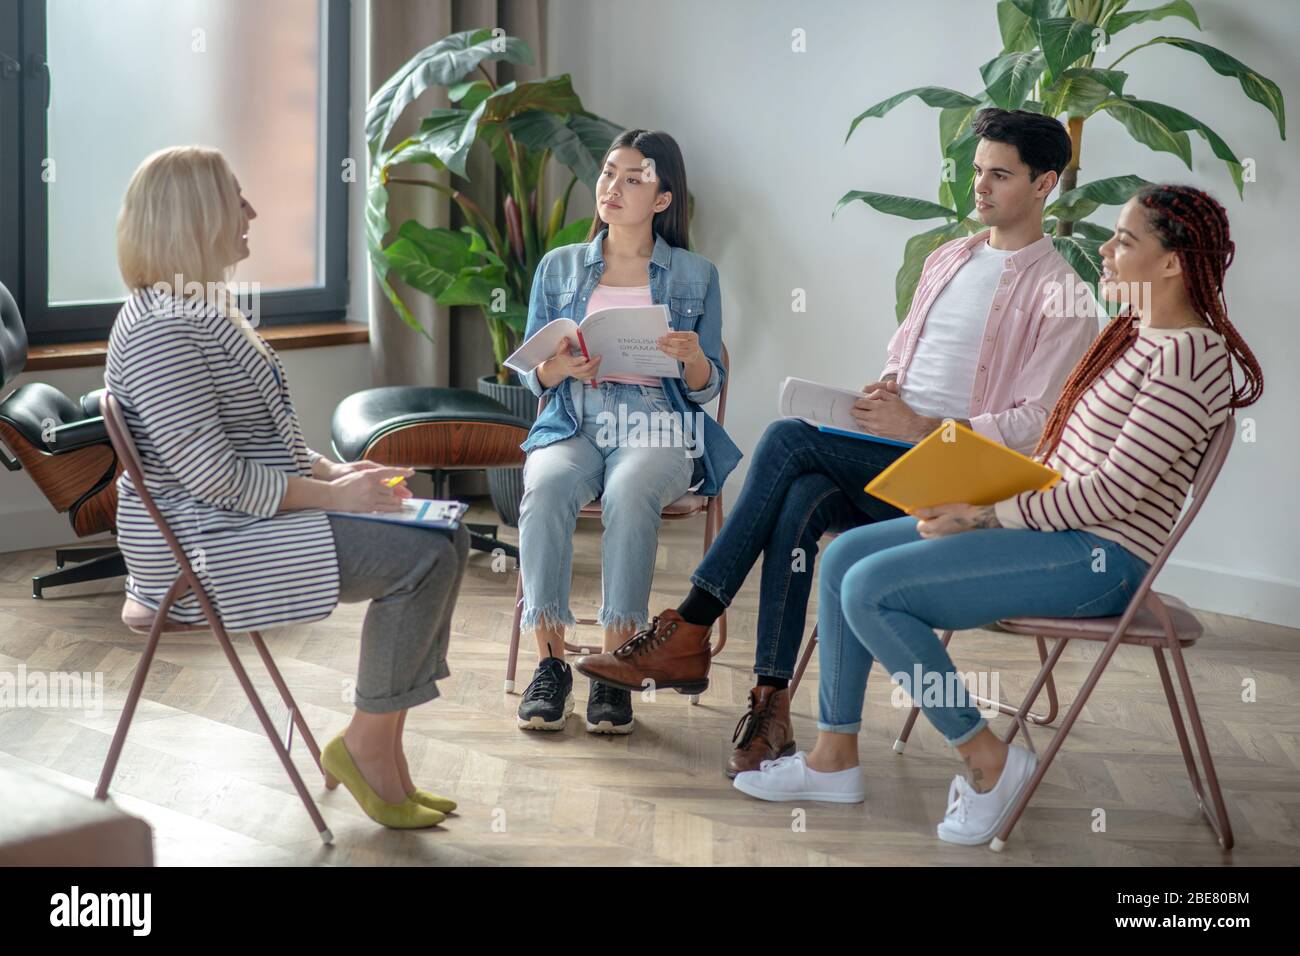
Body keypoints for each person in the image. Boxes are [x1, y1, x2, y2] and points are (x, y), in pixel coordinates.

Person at [731, 184, 1262, 846]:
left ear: (1173, 263)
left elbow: (1113, 495)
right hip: (1053, 530)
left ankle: (988, 761)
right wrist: (972, 489)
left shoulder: (1189, 356)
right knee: (843, 557)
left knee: (871, 588)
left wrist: (981, 516)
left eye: (1125, 240)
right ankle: (834, 760)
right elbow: (1062, 458)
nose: (1106, 249)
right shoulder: (1132, 335)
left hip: (1102, 557)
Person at [575, 109, 1097, 776]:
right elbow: (904, 358)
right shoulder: (949, 258)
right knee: (801, 498)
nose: (980, 186)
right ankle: (770, 706)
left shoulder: (1062, 294)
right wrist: (885, 392)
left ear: (1045, 183)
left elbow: (1039, 423)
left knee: (788, 440)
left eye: (1000, 174)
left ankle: (691, 625)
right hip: (897, 459)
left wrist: (920, 428)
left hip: (962, 487)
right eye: (977, 171)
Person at [106, 146, 470, 830]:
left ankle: (379, 748)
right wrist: (336, 500)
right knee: (422, 558)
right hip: (203, 547)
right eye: (235, 198)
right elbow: (213, 476)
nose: (250, 211)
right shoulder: (162, 331)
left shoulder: (198, 310)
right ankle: (367, 748)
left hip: (233, 521)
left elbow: (261, 446)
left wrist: (338, 474)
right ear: (194, 216)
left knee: (448, 534)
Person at [514, 129, 740, 734]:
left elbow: (707, 385)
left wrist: (692, 357)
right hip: (574, 416)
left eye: (633, 178)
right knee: (546, 488)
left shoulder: (697, 274)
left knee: (630, 490)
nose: (612, 187)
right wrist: (560, 368)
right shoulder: (559, 266)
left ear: (663, 199)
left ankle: (614, 670)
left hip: (655, 421)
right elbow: (533, 372)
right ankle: (550, 665)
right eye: (609, 172)